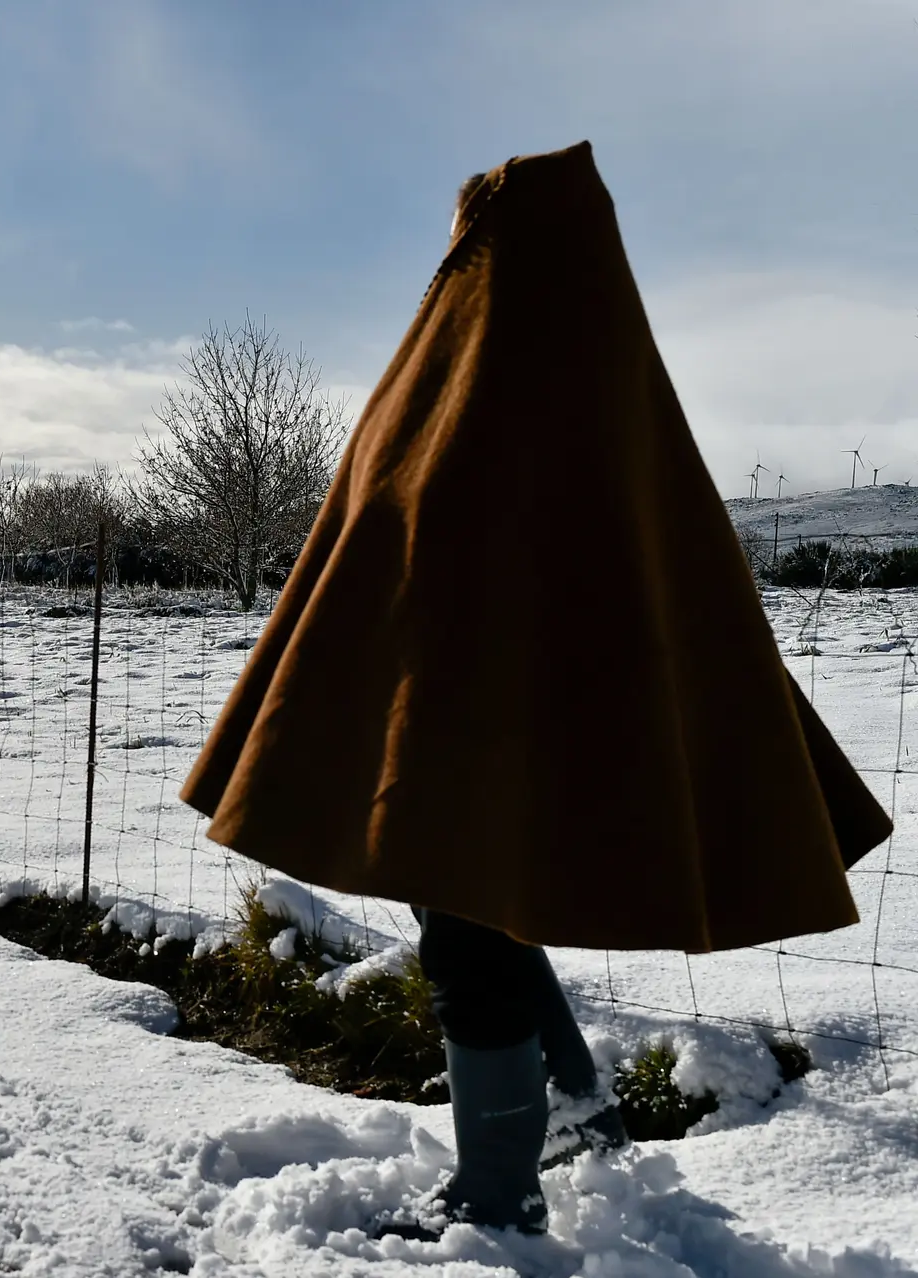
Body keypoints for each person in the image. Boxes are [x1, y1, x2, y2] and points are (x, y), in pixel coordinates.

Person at [181, 141, 891, 1237]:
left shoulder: (488, 363)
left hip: (491, 713)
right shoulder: (584, 369)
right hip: (473, 700)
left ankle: (499, 1192)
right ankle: (568, 1099)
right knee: (467, 897)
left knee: (468, 924)